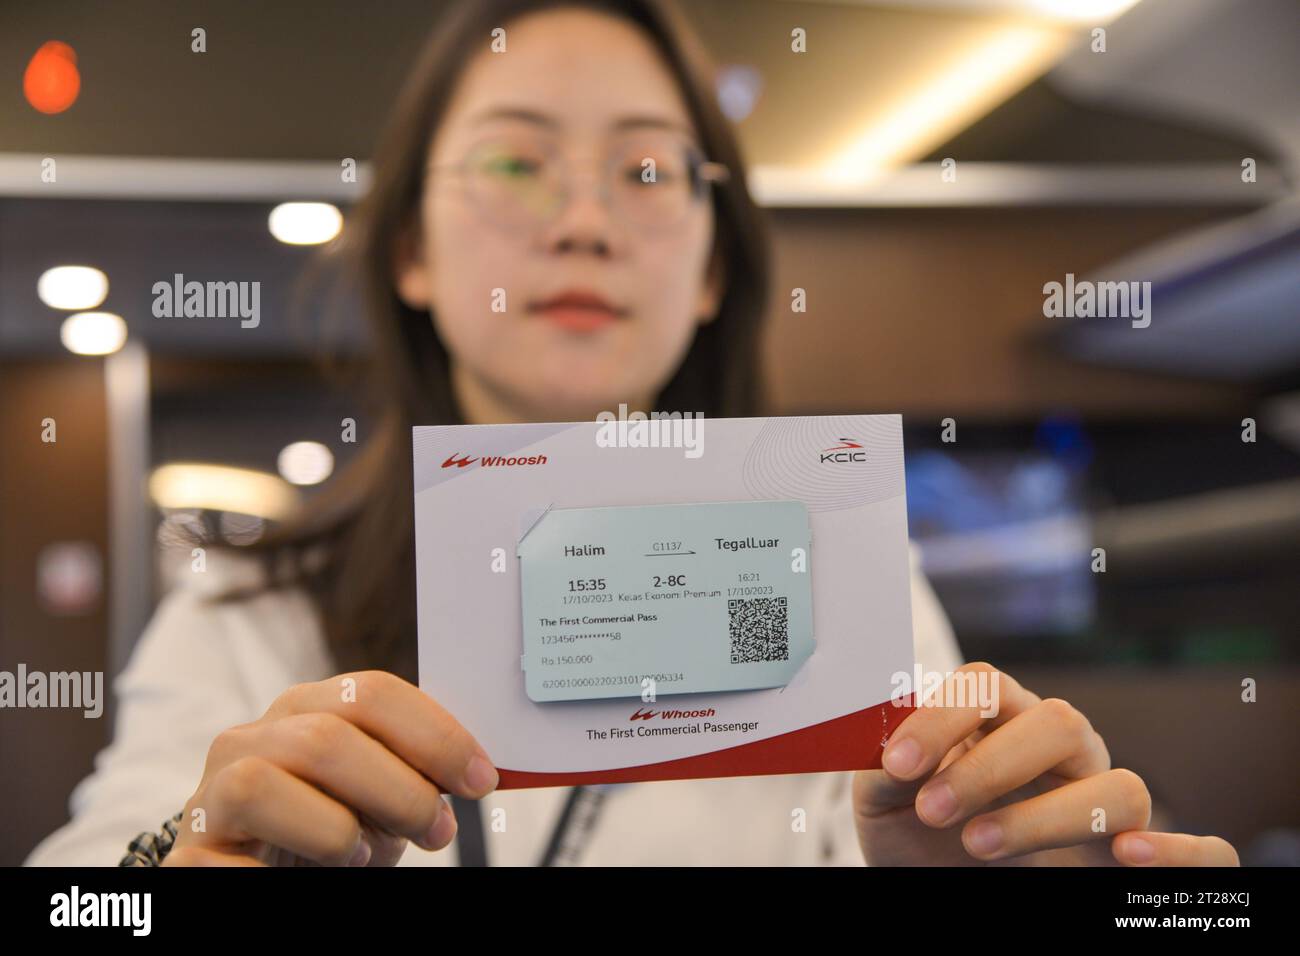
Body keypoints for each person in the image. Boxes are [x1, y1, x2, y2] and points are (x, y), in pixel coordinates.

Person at [26, 0, 1238, 867]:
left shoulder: (846, 585)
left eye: (648, 173)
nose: (585, 221)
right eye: (514, 161)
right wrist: (172, 860)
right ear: (410, 251)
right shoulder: (245, 615)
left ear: (713, 268)